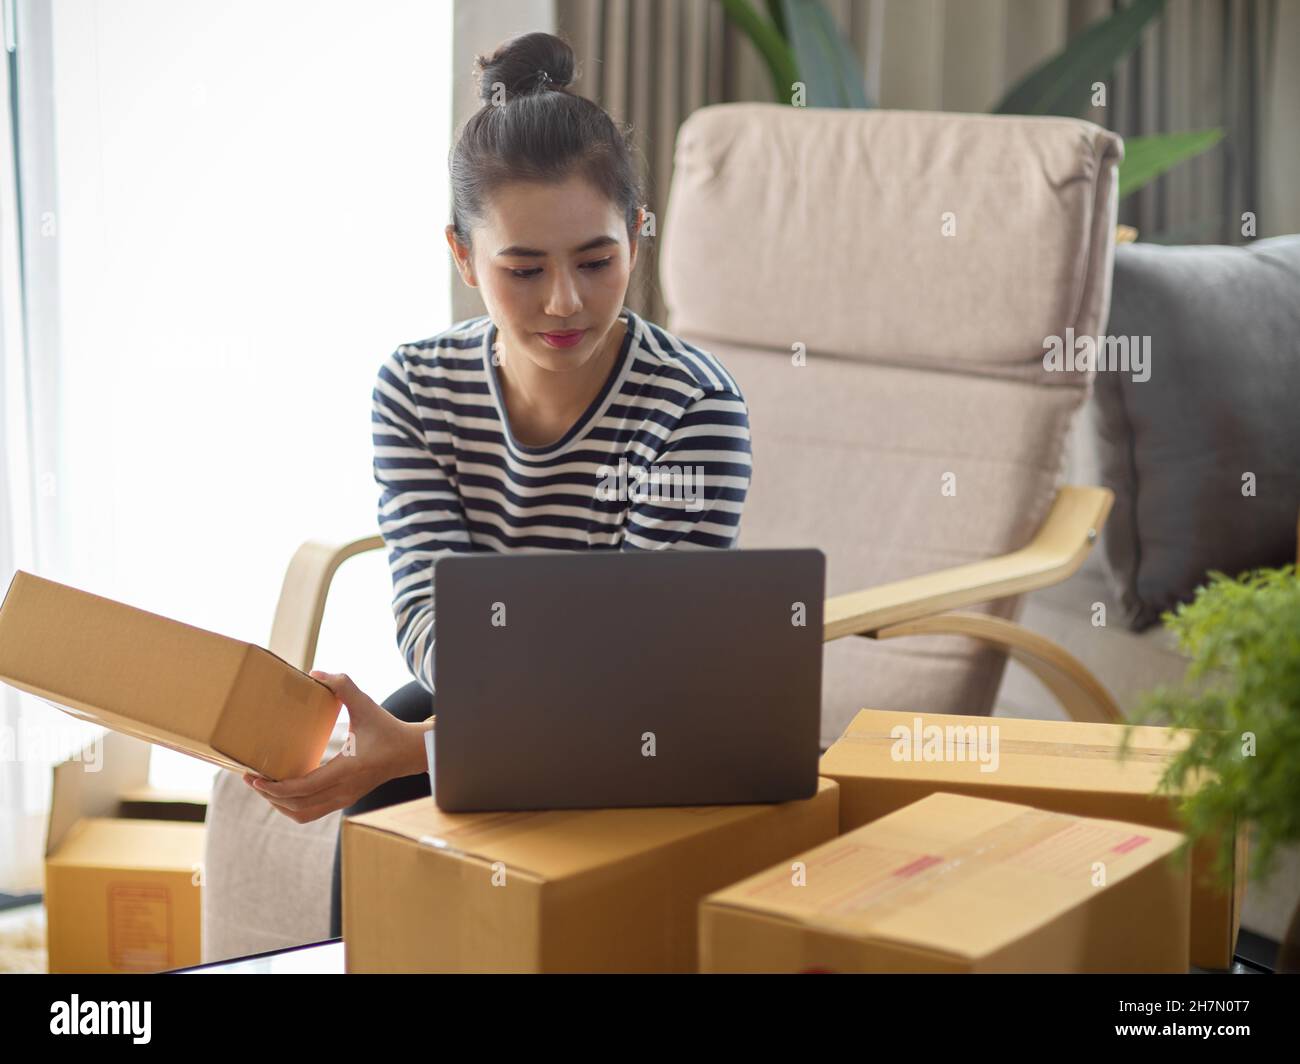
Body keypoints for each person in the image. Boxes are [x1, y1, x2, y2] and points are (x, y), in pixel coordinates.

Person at [239, 30, 754, 939]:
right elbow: (431, 614)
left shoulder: (693, 409)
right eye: (523, 269)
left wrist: (442, 747)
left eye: (597, 261)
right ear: (463, 256)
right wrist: (448, 743)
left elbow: (641, 671)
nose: (565, 303)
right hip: (486, 690)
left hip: (648, 726)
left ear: (638, 235)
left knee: (403, 760)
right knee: (387, 789)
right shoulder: (415, 387)